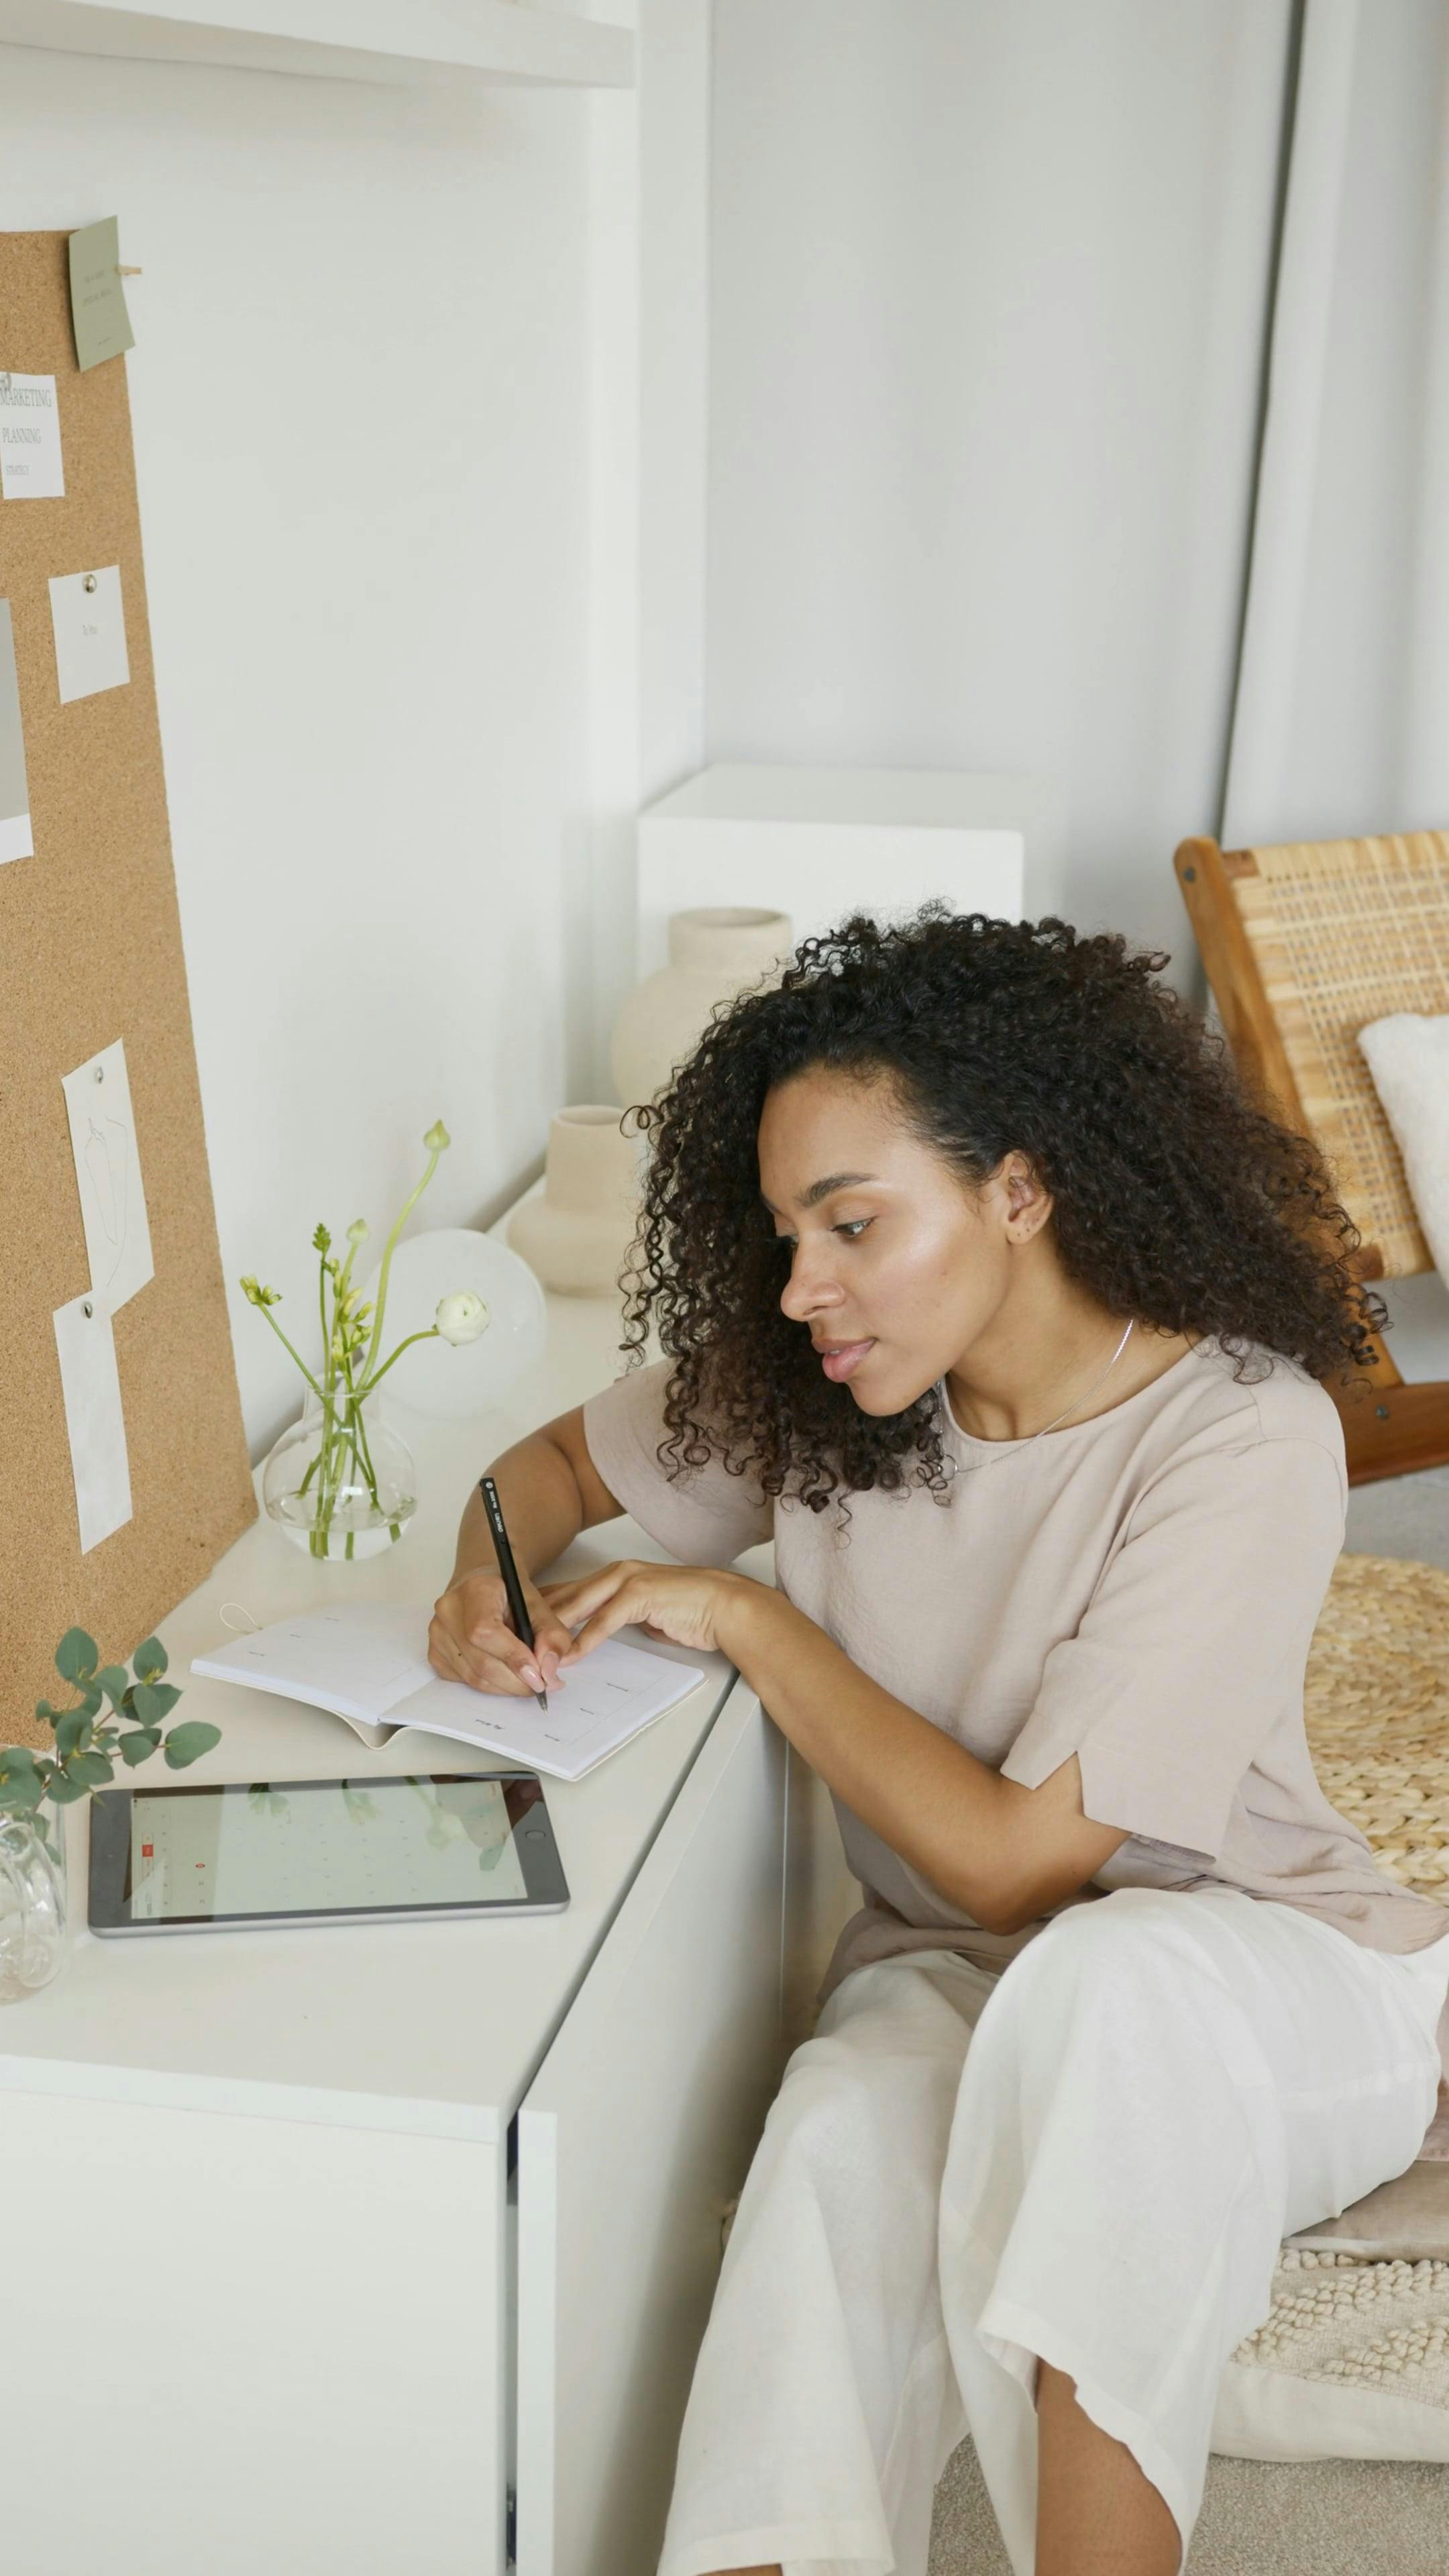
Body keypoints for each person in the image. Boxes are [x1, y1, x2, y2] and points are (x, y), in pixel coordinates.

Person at [431, 908, 1449, 2576]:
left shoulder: (1240, 1435)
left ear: (1019, 1193)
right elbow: (543, 1467)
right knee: (830, 2131)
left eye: (851, 1225)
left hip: (1256, 1975)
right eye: (780, 1232)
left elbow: (1014, 1862)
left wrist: (753, 1617)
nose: (799, 1286)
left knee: (1109, 1991)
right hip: (956, 1988)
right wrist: (481, 1576)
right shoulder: (828, 1384)